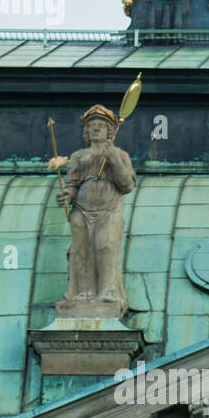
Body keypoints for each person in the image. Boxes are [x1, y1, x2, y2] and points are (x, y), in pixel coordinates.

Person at [56, 104, 136, 318]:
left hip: (109, 208)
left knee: (105, 245)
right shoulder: (77, 156)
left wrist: (114, 160)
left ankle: (108, 291)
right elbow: (72, 183)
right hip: (81, 208)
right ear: (86, 131)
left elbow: (127, 184)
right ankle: (84, 293)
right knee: (81, 249)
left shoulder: (119, 154)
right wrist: (68, 195)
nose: (96, 129)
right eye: (92, 126)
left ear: (111, 131)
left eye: (102, 125)